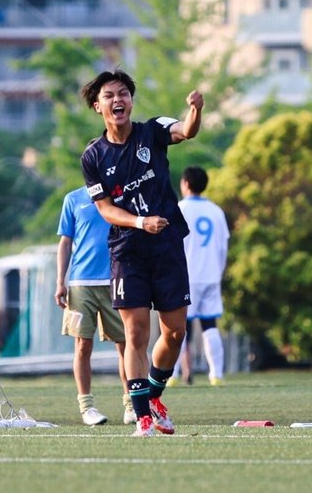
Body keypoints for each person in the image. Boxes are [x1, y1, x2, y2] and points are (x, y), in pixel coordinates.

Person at [80, 69, 204, 437]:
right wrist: (139, 222)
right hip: (128, 251)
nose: (117, 100)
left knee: (176, 333)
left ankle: (154, 396)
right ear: (97, 105)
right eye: (109, 95)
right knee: (135, 335)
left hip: (167, 248)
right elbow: (105, 209)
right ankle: (142, 418)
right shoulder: (93, 156)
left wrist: (196, 109)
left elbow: (186, 130)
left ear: (131, 101)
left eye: (123, 94)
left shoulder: (152, 131)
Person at [56, 186, 135, 426]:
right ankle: (87, 407)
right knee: (82, 345)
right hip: (81, 283)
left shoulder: (122, 195)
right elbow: (65, 242)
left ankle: (132, 405)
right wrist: (60, 281)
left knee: (125, 345)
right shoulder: (73, 199)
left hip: (117, 279)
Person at [171, 166, 230, 387]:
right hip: (211, 275)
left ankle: (172, 374)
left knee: (178, 327)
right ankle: (216, 375)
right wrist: (219, 271)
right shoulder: (216, 211)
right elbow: (223, 246)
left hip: (186, 275)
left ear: (185, 183)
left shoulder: (179, 209)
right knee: (210, 324)